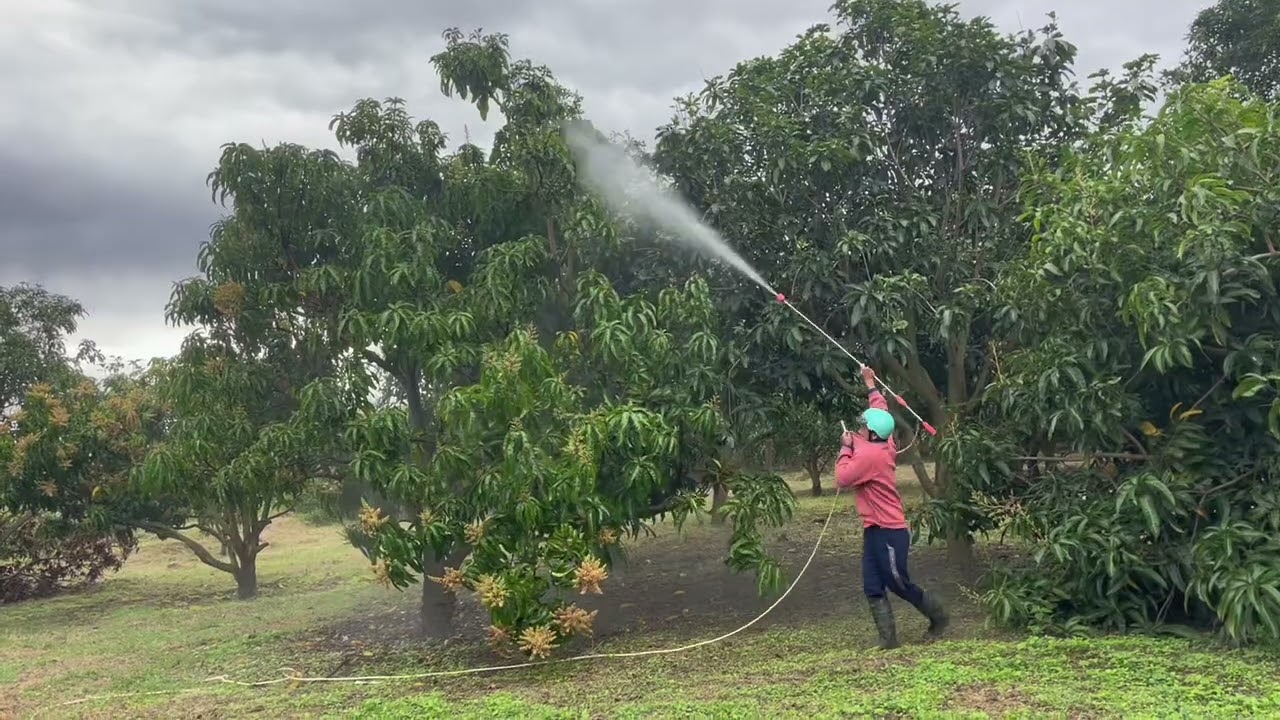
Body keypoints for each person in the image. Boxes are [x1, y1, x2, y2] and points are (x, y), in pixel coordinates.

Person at [834, 365, 949, 649]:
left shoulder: (869, 456)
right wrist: (870, 383)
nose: (859, 429)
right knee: (872, 585)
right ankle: (888, 641)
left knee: (898, 583)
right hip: (874, 529)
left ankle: (939, 617)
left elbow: (842, 477)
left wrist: (846, 448)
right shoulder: (883, 442)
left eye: (863, 428)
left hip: (890, 531)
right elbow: (880, 408)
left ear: (872, 434)